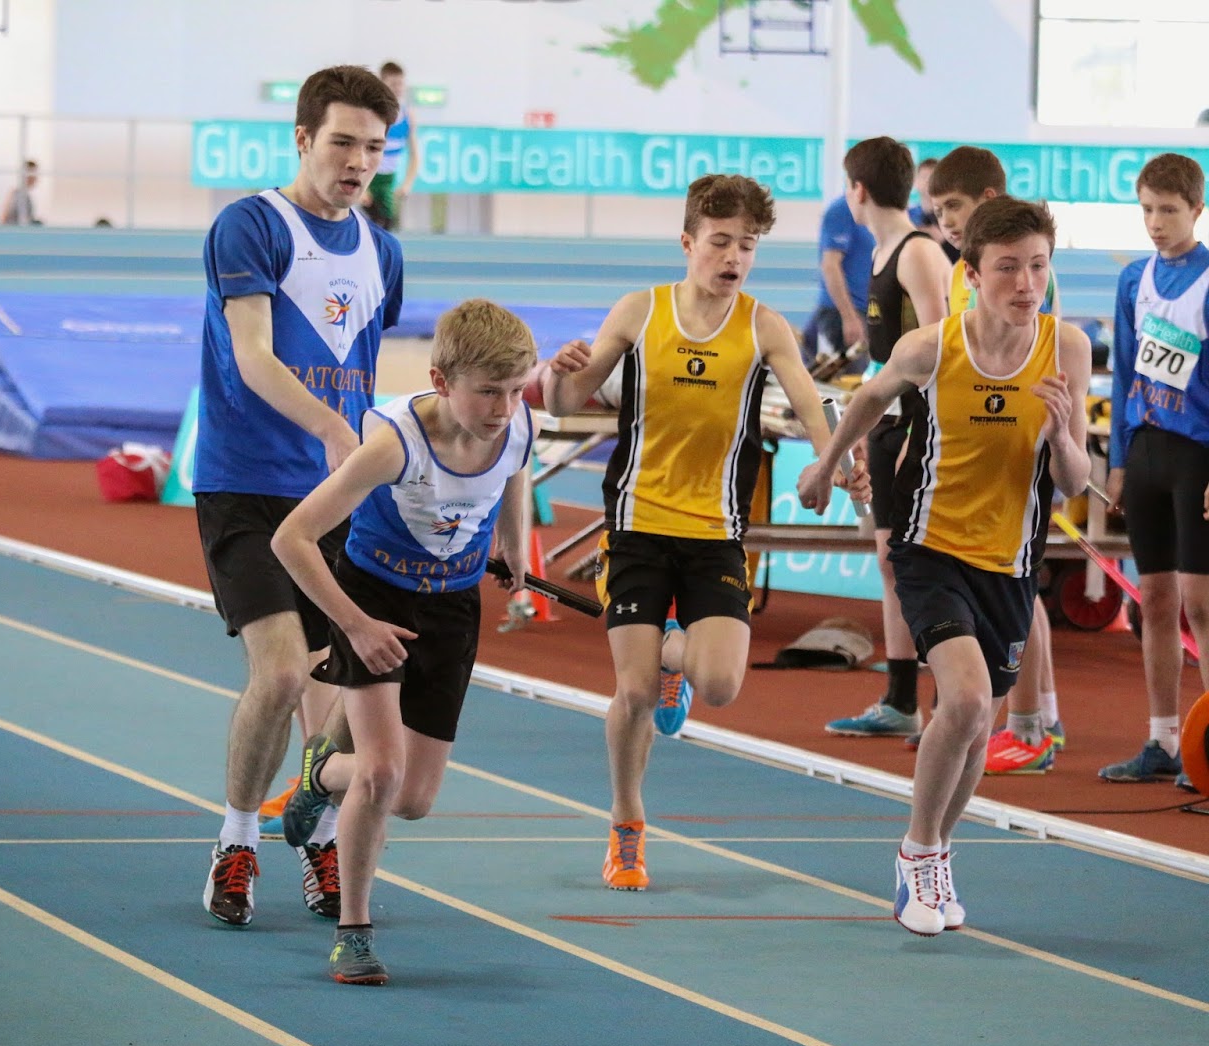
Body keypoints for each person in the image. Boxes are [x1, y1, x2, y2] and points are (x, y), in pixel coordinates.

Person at [544, 173, 869, 891]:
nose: (734, 257)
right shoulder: (640, 311)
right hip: (636, 524)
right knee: (630, 695)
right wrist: (560, 372)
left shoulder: (762, 326)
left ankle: (672, 659)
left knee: (719, 684)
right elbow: (569, 401)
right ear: (688, 243)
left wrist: (836, 464)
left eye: (747, 246)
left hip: (716, 532)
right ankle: (628, 826)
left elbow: (814, 409)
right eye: (720, 242)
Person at [800, 197, 1093, 935]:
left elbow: (1077, 480)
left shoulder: (1067, 349)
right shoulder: (934, 347)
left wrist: (1061, 436)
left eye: (1037, 267)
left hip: (1009, 563)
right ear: (972, 272)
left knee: (974, 722)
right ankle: (917, 852)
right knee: (961, 702)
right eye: (1008, 268)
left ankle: (938, 848)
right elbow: (867, 399)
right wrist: (827, 465)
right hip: (930, 548)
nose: (1026, 284)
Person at [194, 65, 403, 927]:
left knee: (341, 698)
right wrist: (331, 429)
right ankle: (237, 839)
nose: (358, 162)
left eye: (374, 148)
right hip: (247, 483)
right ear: (303, 139)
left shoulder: (383, 249)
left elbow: (364, 366)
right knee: (280, 673)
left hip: (338, 494)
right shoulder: (250, 226)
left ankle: (318, 841)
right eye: (344, 142)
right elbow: (252, 357)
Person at [273, 298, 535, 985]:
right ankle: (353, 931)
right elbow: (291, 538)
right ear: (442, 381)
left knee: (413, 800)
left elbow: (515, 468)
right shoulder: (393, 442)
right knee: (382, 774)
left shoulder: (516, 420)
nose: (504, 407)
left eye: (515, 390)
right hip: (375, 601)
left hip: (451, 610)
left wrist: (512, 542)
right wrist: (353, 624)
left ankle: (320, 772)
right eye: (488, 392)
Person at [924, 145, 1068, 774]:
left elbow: (1035, 356)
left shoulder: (1024, 273)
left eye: (953, 206)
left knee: (1025, 588)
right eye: (936, 209)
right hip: (968, 458)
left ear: (987, 204)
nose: (944, 221)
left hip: (1025, 452)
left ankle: (1034, 721)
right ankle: (1026, 715)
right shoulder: (966, 271)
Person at [821, 138, 950, 742]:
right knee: (890, 563)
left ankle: (950, 699)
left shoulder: (919, 254)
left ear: (859, 190)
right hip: (889, 424)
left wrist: (918, 432)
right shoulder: (881, 252)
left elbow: (942, 349)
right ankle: (901, 700)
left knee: (923, 566)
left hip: (916, 429)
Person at [1099, 152, 1209, 792]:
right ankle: (1163, 740)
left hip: (1198, 455)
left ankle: (1208, 740)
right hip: (1145, 454)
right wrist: (1117, 461)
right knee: (1156, 602)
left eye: (1168, 210)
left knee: (1202, 602)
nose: (1156, 222)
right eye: (1146, 210)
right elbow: (1126, 375)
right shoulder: (1133, 278)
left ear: (1196, 210)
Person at [800, 193, 875, 367]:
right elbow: (830, 266)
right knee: (856, 383)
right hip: (845, 312)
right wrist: (849, 317)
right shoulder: (841, 210)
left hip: (867, 310)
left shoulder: (873, 212)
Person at [363, 61, 416, 232]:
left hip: (388, 180)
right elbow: (360, 149)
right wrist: (362, 187)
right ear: (383, 84)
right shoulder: (372, 113)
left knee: (387, 225)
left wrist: (407, 183)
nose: (398, 88)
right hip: (369, 177)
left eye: (400, 84)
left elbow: (416, 156)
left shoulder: (408, 115)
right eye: (393, 84)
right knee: (372, 224)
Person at [909, 156, 948, 252]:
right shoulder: (907, 216)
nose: (928, 183)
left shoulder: (949, 217)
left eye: (933, 178)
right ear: (915, 182)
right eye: (924, 177)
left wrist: (944, 241)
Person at [1, 159, 39, 225]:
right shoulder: (16, 194)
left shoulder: (25, 196)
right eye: (32, 174)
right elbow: (4, 218)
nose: (34, 178)